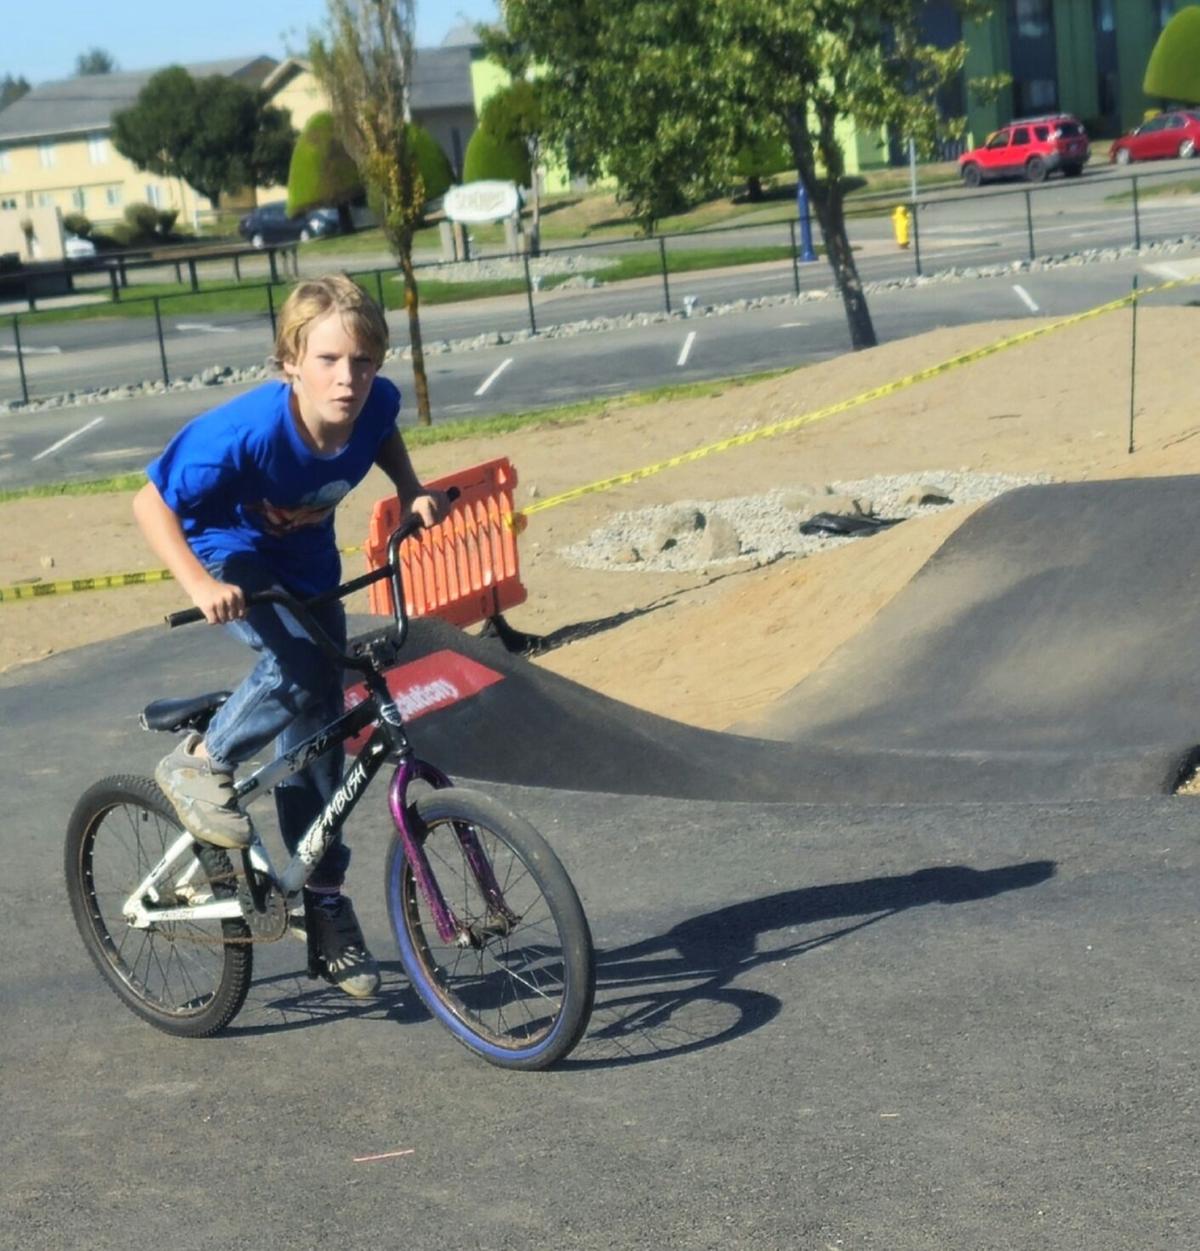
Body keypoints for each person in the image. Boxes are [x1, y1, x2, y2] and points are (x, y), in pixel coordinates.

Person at [132, 273, 448, 998]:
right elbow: (149, 501)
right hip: (232, 555)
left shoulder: (375, 403)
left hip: (308, 567)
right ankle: (200, 760)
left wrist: (410, 486)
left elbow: (382, 430)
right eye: (330, 361)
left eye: (364, 361)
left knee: (320, 726)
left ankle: (324, 898)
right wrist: (201, 586)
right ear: (290, 364)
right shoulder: (244, 433)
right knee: (301, 669)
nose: (349, 378)